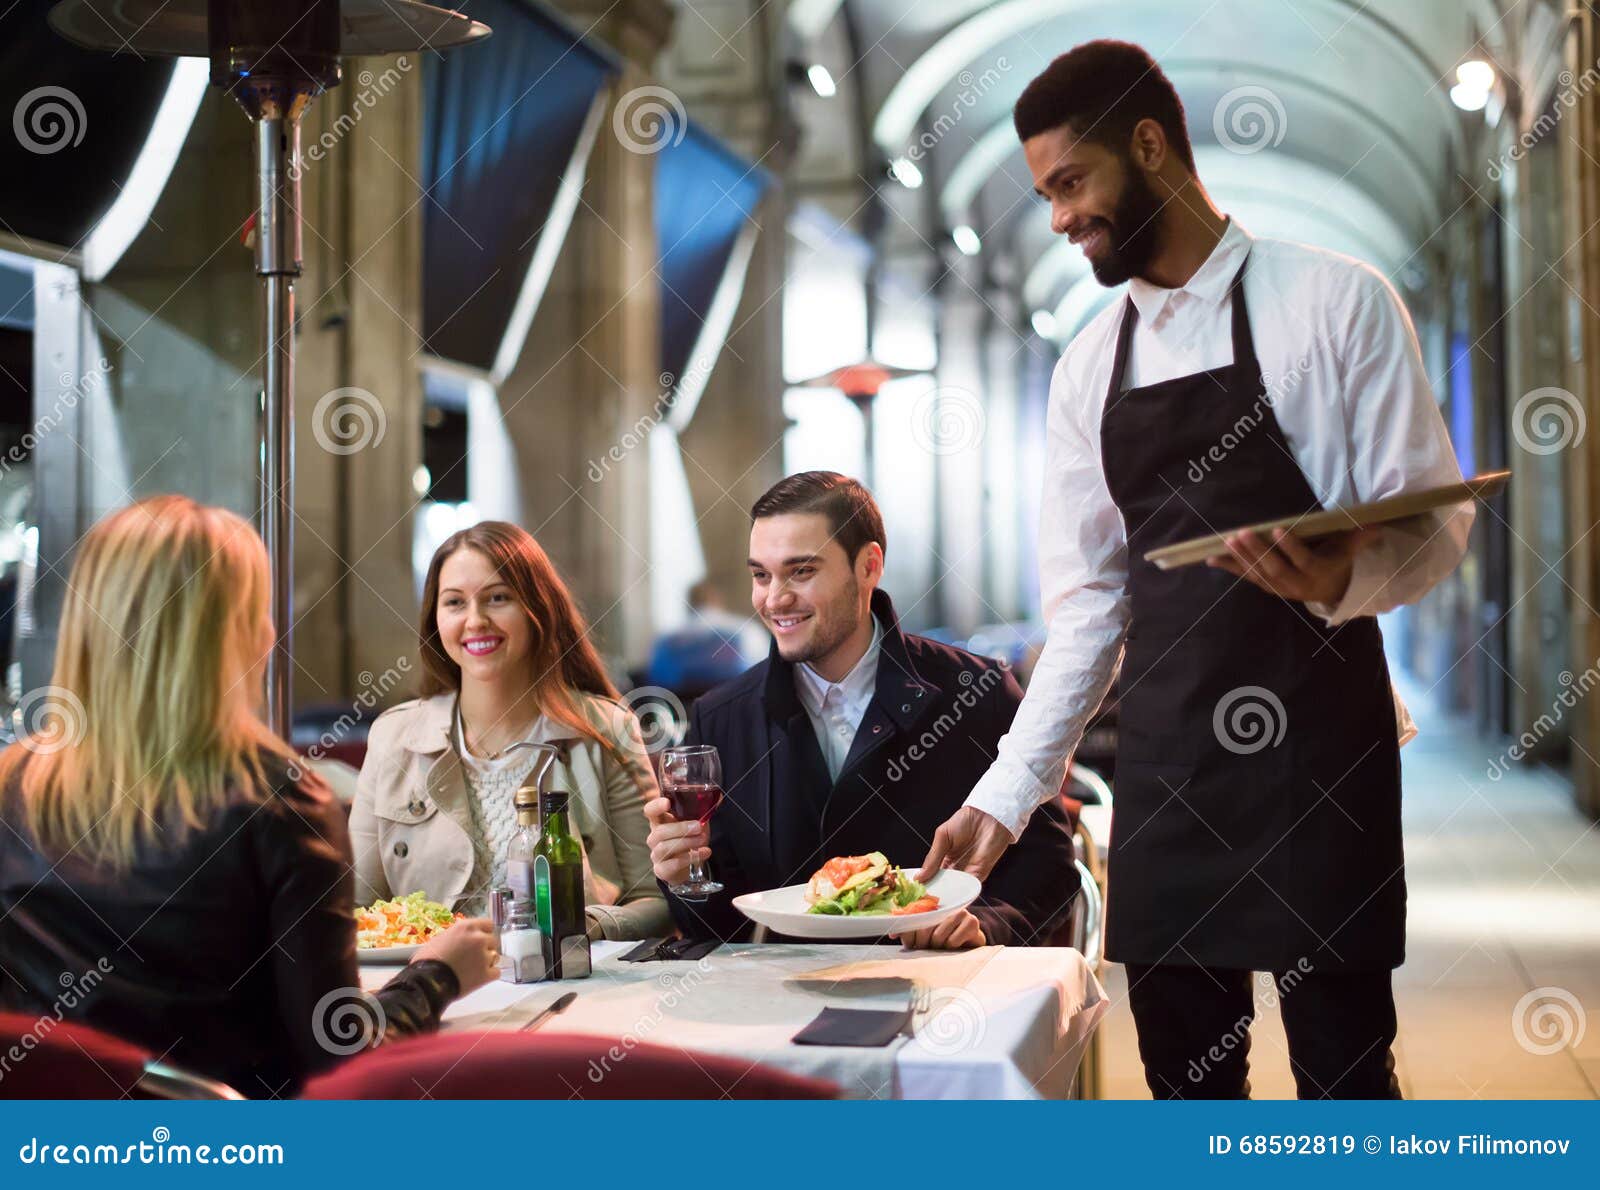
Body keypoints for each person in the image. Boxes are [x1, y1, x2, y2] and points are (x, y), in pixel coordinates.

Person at [920, 41, 1473, 1098]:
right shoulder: (1089, 364)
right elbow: (1087, 610)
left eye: (1070, 184)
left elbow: (1431, 528)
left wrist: (1333, 584)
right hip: (1171, 771)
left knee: (1348, 1077)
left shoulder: (1336, 303)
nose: (1057, 218)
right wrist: (1003, 794)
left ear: (1149, 146)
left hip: (1324, 759)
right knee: (1182, 1084)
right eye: (1041, 195)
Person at [0, 496, 498, 1097]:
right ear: (232, 637)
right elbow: (341, 1064)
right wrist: (437, 975)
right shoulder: (281, 807)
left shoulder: (11, 786)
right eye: (259, 612)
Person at [646, 472, 1078, 949]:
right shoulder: (721, 718)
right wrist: (683, 876)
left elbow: (1050, 866)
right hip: (784, 1005)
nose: (774, 599)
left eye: (802, 571)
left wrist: (986, 924)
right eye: (761, 575)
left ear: (869, 567)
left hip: (948, 992)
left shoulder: (979, 692)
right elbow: (721, 931)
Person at [352, 521, 668, 941]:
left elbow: (658, 902)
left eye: (497, 598)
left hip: (571, 986)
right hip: (434, 987)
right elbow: (357, 907)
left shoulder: (607, 729)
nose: (475, 620)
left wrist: (580, 929)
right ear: (435, 620)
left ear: (538, 609)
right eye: (454, 603)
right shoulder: (392, 737)